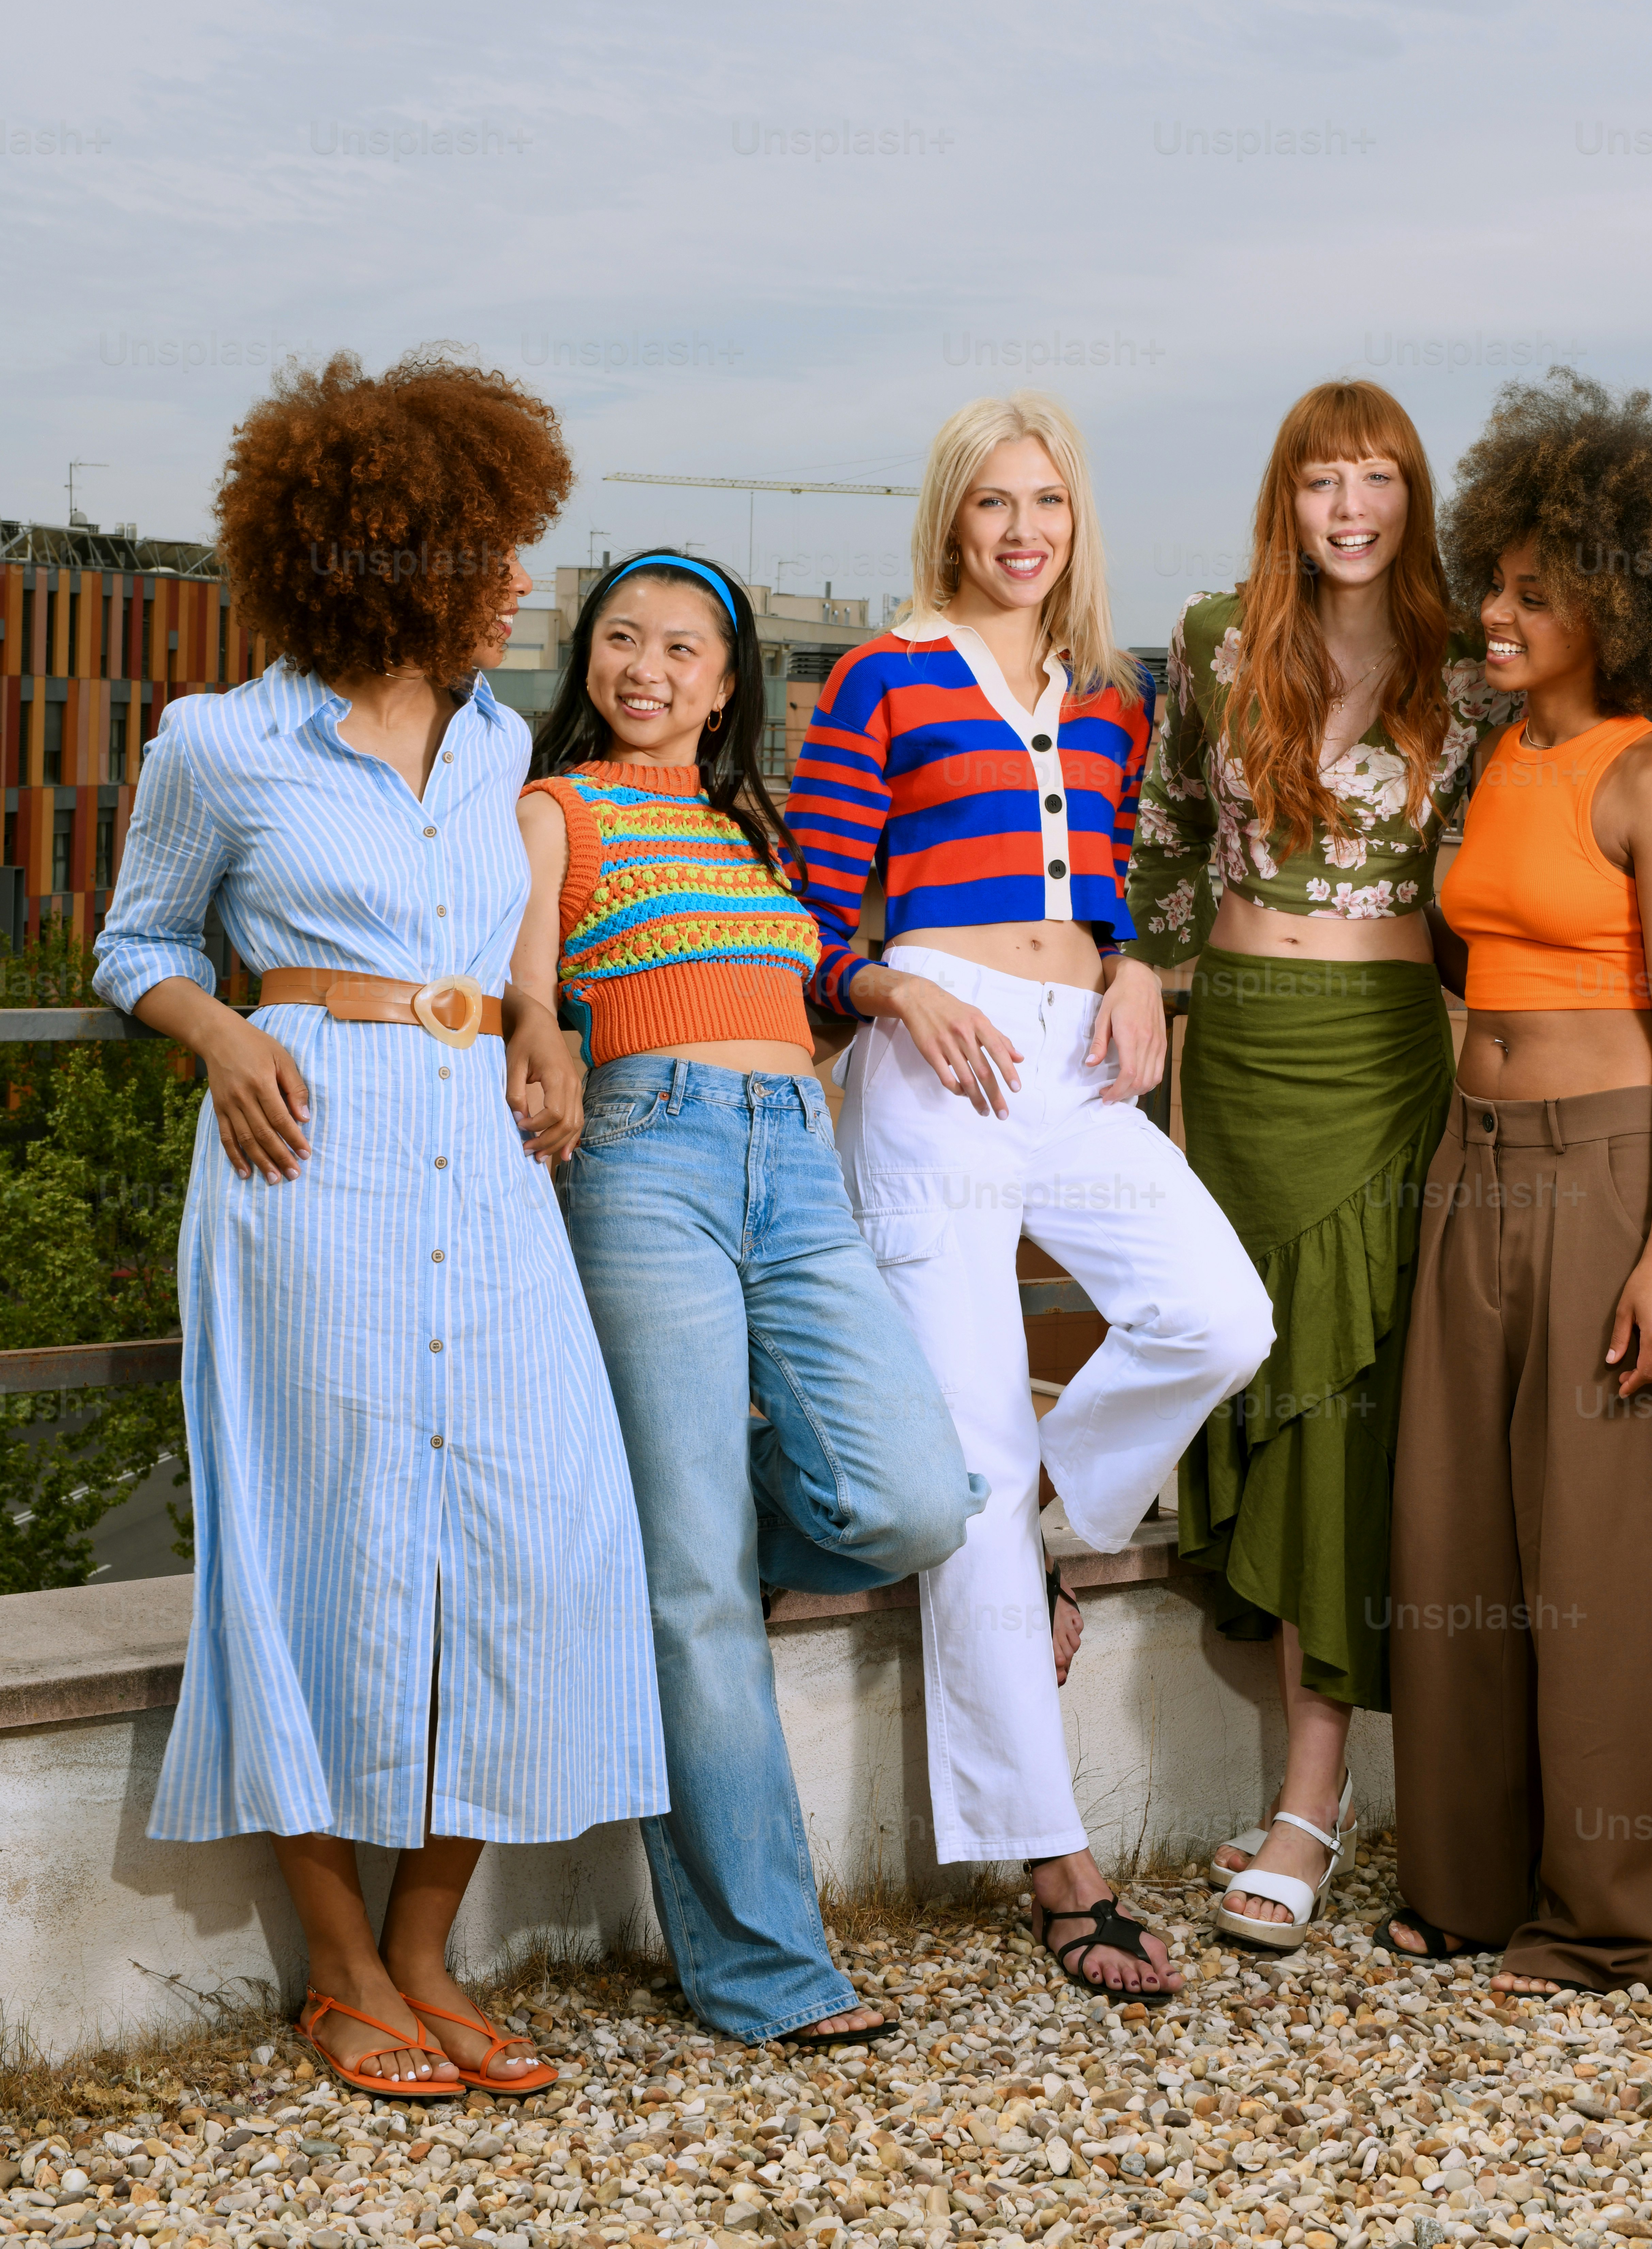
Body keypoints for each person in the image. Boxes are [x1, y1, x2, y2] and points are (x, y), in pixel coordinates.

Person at [92, 354, 666, 2099]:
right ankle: (344, 1972)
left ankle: (433, 1950)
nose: (516, 588)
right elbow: (134, 948)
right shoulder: (220, 742)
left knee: (533, 1539)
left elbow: (508, 958)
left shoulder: (505, 749)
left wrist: (545, 1034)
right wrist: (220, 1032)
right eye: (487, 553)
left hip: (488, 1184)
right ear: (386, 555)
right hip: (304, 1178)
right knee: (320, 1543)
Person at [784, 392, 1273, 2003]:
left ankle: (1057, 1532)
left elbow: (1117, 882)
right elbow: (804, 913)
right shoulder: (880, 675)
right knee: (971, 1451)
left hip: (1077, 1058)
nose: (1020, 529)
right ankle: (1058, 1869)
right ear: (949, 520)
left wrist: (1140, 973)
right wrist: (881, 991)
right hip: (932, 1059)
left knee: (1215, 1313)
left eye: (1046, 502)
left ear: (1074, 525)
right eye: (993, 502)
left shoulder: (1109, 702)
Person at [512, 548, 984, 2046]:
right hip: (644, 1154)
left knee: (912, 1498)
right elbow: (525, 988)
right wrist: (551, 1040)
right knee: (701, 1593)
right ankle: (764, 1969)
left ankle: (675, 1548)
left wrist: (872, 1010)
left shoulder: (748, 825)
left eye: (683, 650)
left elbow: (800, 1000)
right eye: (622, 640)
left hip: (795, 1158)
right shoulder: (557, 807)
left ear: (726, 686)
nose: (647, 668)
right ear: (588, 659)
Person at [1382, 368, 1652, 1995]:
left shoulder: (1650, 778)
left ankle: (1604, 1920)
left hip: (1606, 1171)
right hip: (1467, 1167)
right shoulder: (1494, 760)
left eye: (1535, 594)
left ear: (1617, 607)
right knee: (1451, 1532)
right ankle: (1468, 1888)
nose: (1494, 610)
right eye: (1495, 579)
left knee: (1598, 1553)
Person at [1127, 378, 1519, 1953]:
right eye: (1318, 481)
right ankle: (1305, 1777)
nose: (1346, 508)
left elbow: (1493, 877)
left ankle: (1309, 1796)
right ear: (1282, 499)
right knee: (1240, 1373)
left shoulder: (1462, 664)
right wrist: (1137, 994)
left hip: (1374, 1061)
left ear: (1409, 499)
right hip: (1229, 1058)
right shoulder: (1217, 634)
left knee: (1337, 1418)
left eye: (1374, 480)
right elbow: (1158, 834)